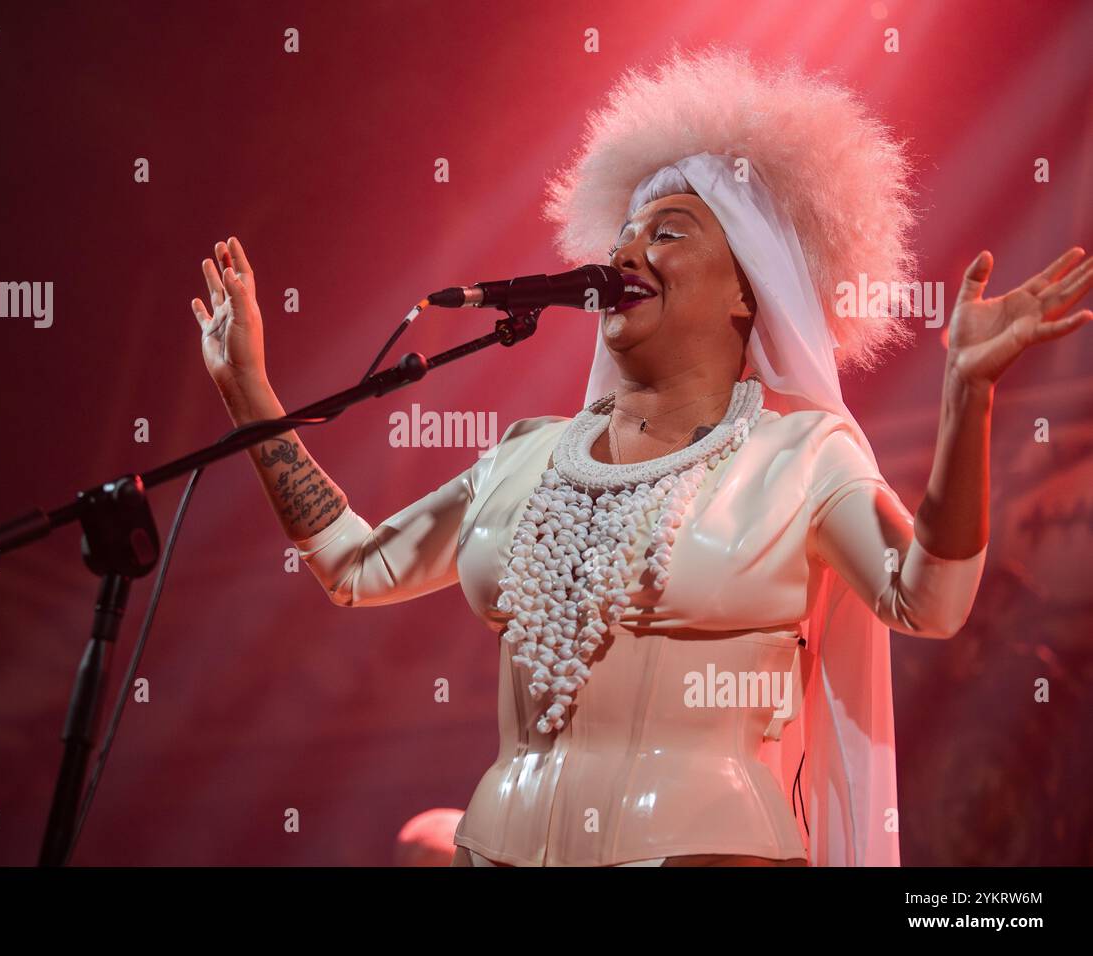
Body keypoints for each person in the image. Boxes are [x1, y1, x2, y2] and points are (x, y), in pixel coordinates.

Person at [189, 49, 1093, 867]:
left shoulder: (802, 455)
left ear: (751, 289)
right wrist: (250, 396)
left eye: (667, 231)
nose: (627, 252)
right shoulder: (526, 456)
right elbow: (355, 566)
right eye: (623, 234)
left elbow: (927, 599)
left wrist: (966, 394)